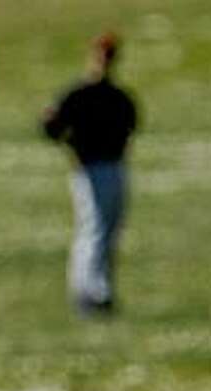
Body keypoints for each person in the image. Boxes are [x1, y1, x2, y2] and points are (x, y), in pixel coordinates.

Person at [43, 32, 138, 315]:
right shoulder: (80, 95)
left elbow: (131, 127)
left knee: (110, 230)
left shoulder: (117, 96)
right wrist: (73, 149)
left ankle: (101, 289)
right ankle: (88, 293)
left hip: (114, 165)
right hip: (90, 168)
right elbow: (51, 126)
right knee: (94, 229)